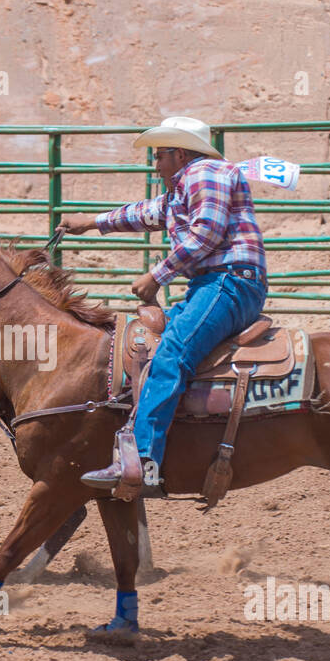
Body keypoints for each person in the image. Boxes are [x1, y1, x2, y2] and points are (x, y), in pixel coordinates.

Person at [58, 115, 268, 495]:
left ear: (180, 153)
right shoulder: (182, 189)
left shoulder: (205, 173)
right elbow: (141, 214)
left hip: (229, 281)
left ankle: (141, 461)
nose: (155, 164)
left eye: (159, 155)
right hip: (218, 284)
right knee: (150, 343)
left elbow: (207, 233)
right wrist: (89, 222)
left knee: (172, 353)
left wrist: (157, 276)